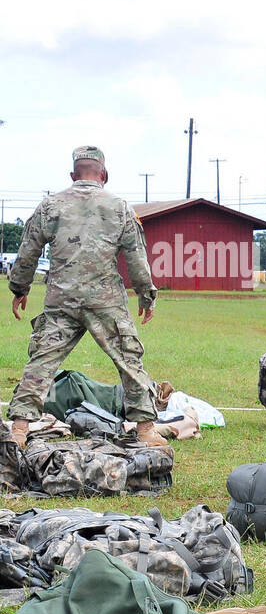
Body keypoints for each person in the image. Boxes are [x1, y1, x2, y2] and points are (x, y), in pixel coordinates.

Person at [7, 145, 169, 449]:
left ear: (73, 175)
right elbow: (136, 257)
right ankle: (146, 429)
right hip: (104, 299)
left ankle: (18, 428)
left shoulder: (50, 206)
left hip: (61, 298)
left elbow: (28, 251)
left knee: (41, 361)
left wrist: (20, 289)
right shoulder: (120, 207)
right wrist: (146, 297)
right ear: (103, 175)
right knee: (128, 360)